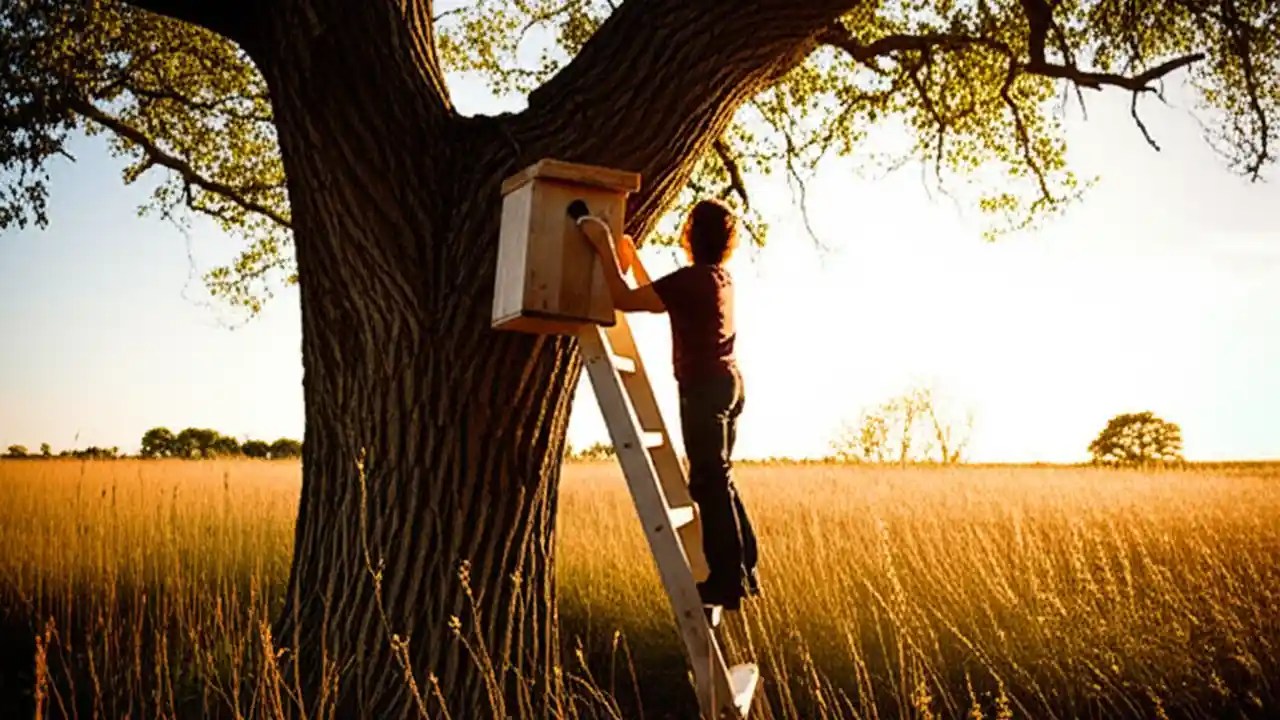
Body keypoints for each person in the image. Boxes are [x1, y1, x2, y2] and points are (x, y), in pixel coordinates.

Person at [576, 198, 760, 610]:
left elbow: (624, 298)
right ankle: (745, 566)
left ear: (691, 236)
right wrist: (634, 259)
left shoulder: (691, 281)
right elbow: (658, 298)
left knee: (708, 484)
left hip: (704, 388)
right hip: (730, 384)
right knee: (719, 478)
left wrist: (603, 245)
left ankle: (726, 583)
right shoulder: (717, 279)